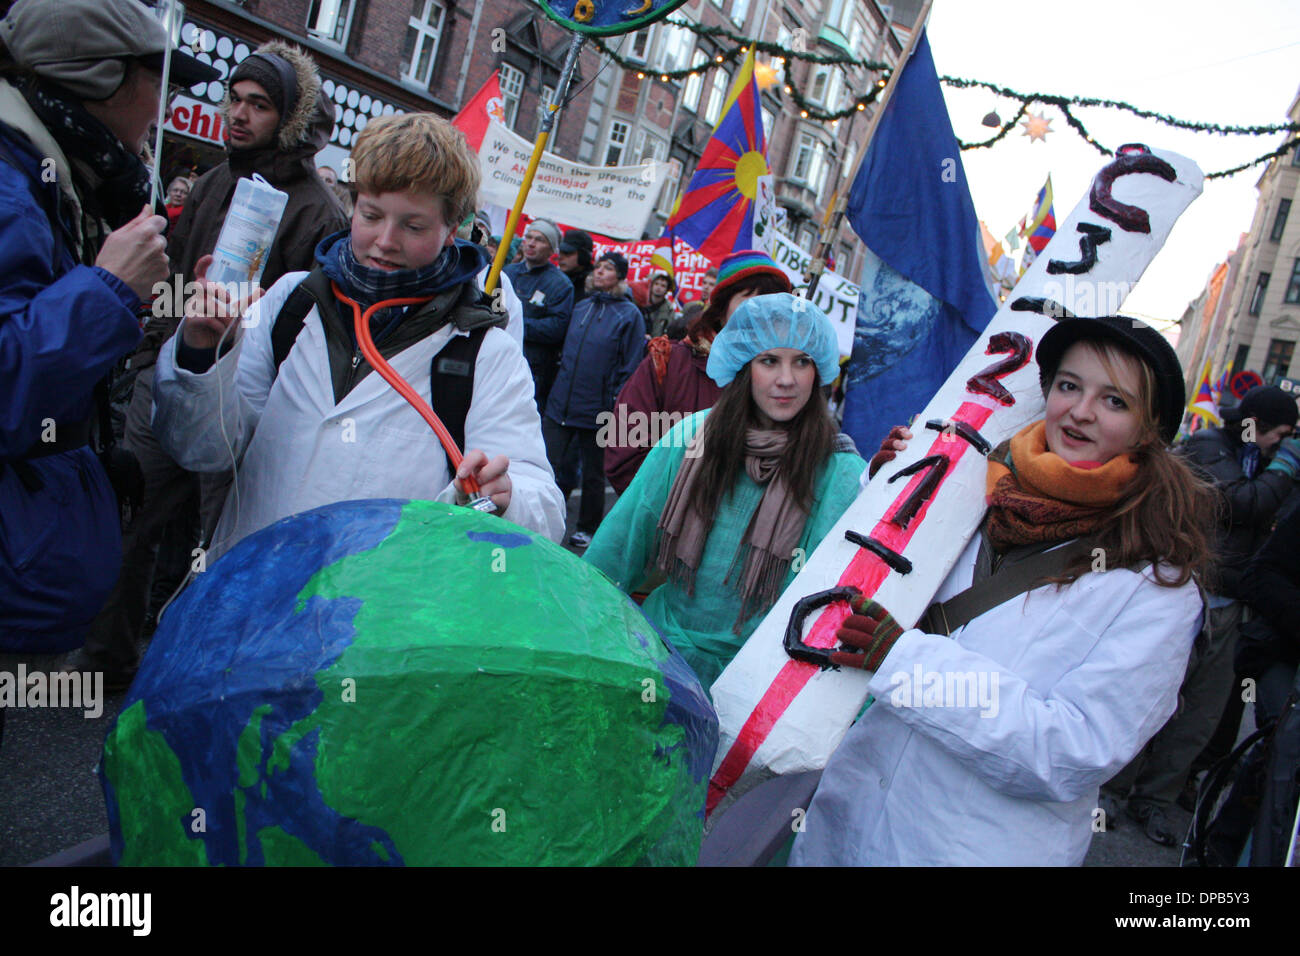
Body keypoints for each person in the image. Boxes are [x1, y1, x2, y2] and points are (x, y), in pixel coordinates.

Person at [791, 316, 1215, 866]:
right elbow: (865, 582)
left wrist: (907, 663)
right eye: (1069, 386)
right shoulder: (968, 491)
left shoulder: (1157, 590)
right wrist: (889, 490)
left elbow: (1071, 750)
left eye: (1114, 401)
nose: (1080, 411)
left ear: (1148, 428)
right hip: (844, 825)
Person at [150, 112, 565, 566]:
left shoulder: (483, 351)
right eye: (371, 215)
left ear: (451, 229)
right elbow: (203, 449)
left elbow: (543, 505)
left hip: (376, 619)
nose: (385, 241)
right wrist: (199, 355)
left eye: (413, 226)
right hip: (251, 594)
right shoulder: (291, 303)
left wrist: (508, 497)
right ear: (353, 204)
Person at [67, 40, 349, 687]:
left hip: (247, 402)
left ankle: (198, 677)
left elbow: (308, 325)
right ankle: (107, 655)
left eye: (259, 105)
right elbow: (169, 273)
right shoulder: (216, 181)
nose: (240, 114)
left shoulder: (317, 209)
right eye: (236, 99)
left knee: (227, 547)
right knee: (130, 518)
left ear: (290, 117)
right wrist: (155, 349)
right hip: (172, 369)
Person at [0, 0, 218, 652]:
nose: (167, 100)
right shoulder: (11, 185)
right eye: (160, 77)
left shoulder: (49, 174)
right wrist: (108, 289)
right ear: (100, 78)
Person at [585, 293, 863, 687]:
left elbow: (839, 604)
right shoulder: (693, 436)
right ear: (744, 365)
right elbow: (620, 544)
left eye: (801, 361)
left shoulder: (840, 472)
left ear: (818, 371)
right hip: (659, 661)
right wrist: (578, 630)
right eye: (769, 360)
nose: (787, 379)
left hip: (763, 684)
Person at [1102, 383, 1299, 844]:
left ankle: (1155, 800)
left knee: (1199, 717)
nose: (1286, 445)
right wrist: (1288, 465)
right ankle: (1111, 789)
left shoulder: (1271, 465)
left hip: (1236, 605)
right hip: (1188, 593)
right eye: (1283, 434)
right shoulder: (1210, 445)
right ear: (1260, 427)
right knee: (1151, 698)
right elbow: (1241, 504)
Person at [604, 250, 792, 495]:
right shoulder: (668, 362)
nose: (758, 316)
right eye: (748, 303)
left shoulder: (788, 382)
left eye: (770, 307)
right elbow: (624, 449)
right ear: (722, 308)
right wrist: (676, 509)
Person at [543, 251, 644, 548]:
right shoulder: (582, 306)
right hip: (560, 404)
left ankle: (587, 527)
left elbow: (630, 365)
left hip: (599, 408)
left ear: (621, 277)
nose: (599, 272)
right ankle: (545, 519)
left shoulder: (630, 315)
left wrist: (614, 402)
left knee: (593, 474)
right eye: (598, 266)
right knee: (548, 464)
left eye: (608, 268)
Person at [504, 218, 574, 411]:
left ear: (551, 250)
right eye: (529, 237)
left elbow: (556, 328)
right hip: (500, 357)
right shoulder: (507, 273)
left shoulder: (561, 285)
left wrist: (515, 322)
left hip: (532, 367)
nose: (532, 243)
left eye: (540, 239)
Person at [556, 228, 595, 304]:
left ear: (583, 256)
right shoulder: (555, 278)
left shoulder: (593, 286)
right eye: (560, 252)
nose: (560, 257)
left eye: (567, 253)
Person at [640, 271, 676, 339]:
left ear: (667, 290)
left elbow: (669, 332)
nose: (658, 287)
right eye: (656, 284)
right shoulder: (641, 303)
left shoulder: (669, 310)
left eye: (663, 286)